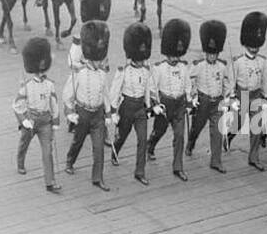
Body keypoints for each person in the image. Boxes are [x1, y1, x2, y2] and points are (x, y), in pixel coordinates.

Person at [63, 20, 114, 192]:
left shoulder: (102, 74)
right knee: (78, 141)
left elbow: (106, 95)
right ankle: (70, 160)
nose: (103, 63)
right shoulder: (79, 73)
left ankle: (97, 178)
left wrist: (108, 114)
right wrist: (70, 112)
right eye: (101, 60)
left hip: (97, 115)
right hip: (83, 113)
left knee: (98, 148)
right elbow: (67, 95)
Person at [13, 37, 63, 193]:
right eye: (39, 60)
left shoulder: (50, 84)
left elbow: (54, 104)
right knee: (24, 143)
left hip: (45, 122)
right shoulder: (27, 86)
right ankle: (20, 161)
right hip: (31, 120)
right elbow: (17, 105)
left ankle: (50, 182)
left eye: (44, 60)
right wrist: (23, 120)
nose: (42, 63)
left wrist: (55, 122)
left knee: (47, 152)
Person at [146, 18, 192, 180]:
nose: (174, 58)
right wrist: (156, 104)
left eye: (177, 55)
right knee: (160, 130)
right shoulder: (159, 68)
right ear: (166, 53)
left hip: (179, 104)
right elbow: (152, 88)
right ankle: (150, 145)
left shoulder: (184, 67)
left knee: (179, 136)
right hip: (165, 105)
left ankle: (178, 167)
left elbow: (187, 85)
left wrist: (189, 102)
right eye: (172, 55)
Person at [109, 22, 154, 186]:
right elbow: (114, 91)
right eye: (140, 58)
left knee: (142, 140)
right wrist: (113, 112)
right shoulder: (123, 71)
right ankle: (115, 150)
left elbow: (148, 89)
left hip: (140, 109)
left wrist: (149, 106)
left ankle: (140, 172)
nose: (142, 61)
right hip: (127, 107)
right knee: (123, 135)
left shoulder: (146, 70)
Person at [187, 19, 231, 173]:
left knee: (217, 131)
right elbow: (190, 80)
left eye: (215, 53)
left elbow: (227, 83)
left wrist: (227, 97)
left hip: (217, 102)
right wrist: (192, 96)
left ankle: (216, 161)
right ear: (205, 52)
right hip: (203, 101)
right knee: (197, 128)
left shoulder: (223, 66)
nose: (212, 56)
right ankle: (191, 142)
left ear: (218, 53)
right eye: (210, 53)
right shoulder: (198, 65)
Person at [230, 11, 267, 171]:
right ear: (245, 43)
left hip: (256, 95)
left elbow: (265, 81)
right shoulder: (238, 62)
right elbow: (232, 83)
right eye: (252, 44)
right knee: (238, 123)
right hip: (242, 95)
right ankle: (229, 136)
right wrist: (232, 98)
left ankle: (254, 157)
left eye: (257, 45)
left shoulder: (263, 61)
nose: (254, 48)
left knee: (257, 125)